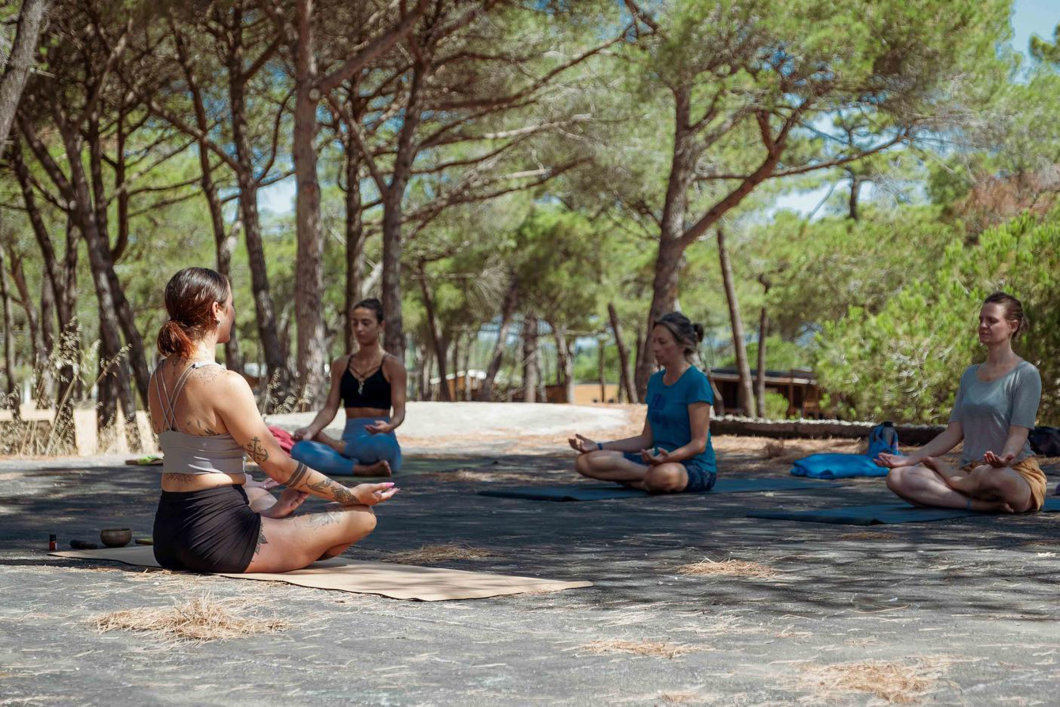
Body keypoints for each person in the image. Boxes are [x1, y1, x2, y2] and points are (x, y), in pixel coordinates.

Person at [148, 267, 398, 574]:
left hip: (167, 535)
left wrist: (272, 506)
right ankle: (283, 541)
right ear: (216, 310)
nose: (233, 312)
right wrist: (349, 494)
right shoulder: (225, 382)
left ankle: (278, 526)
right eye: (231, 305)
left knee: (255, 490)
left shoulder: (158, 377)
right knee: (362, 517)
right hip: (220, 541)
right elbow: (279, 466)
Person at [876, 292, 1046, 513]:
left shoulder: (1026, 374)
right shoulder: (970, 375)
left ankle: (955, 483)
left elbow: (1018, 433)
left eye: (991, 320)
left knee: (993, 476)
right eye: (981, 320)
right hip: (969, 472)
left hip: (1012, 471)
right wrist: (909, 459)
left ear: (1012, 326)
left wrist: (1005, 458)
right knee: (898, 477)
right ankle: (979, 504)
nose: (983, 325)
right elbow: (953, 432)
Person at [568, 312, 717, 493]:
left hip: (693, 467)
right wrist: (598, 446)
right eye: (653, 341)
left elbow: (699, 443)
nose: (655, 348)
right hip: (657, 462)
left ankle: (645, 479)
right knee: (585, 461)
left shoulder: (696, 382)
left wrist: (669, 458)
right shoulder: (655, 381)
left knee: (665, 475)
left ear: (682, 344)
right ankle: (648, 480)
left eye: (662, 342)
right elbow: (646, 439)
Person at [290, 298, 407, 476]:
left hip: (377, 442)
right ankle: (363, 470)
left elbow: (399, 412)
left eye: (366, 323)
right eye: (355, 323)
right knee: (299, 450)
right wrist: (311, 430)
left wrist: (390, 426)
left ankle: (337, 448)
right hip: (350, 443)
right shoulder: (341, 364)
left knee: (382, 445)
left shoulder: (393, 365)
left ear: (381, 326)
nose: (359, 328)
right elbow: (330, 408)